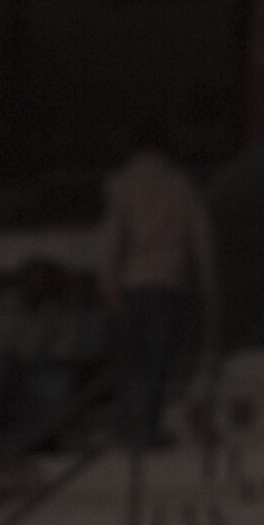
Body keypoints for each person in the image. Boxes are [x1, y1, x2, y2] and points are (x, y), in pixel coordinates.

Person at [99, 129, 216, 452]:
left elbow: (113, 237)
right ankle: (146, 428)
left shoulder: (122, 183)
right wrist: (207, 284)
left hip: (132, 283)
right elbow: (200, 237)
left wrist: (109, 282)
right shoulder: (181, 184)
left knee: (129, 362)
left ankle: (126, 427)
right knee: (157, 362)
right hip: (169, 281)